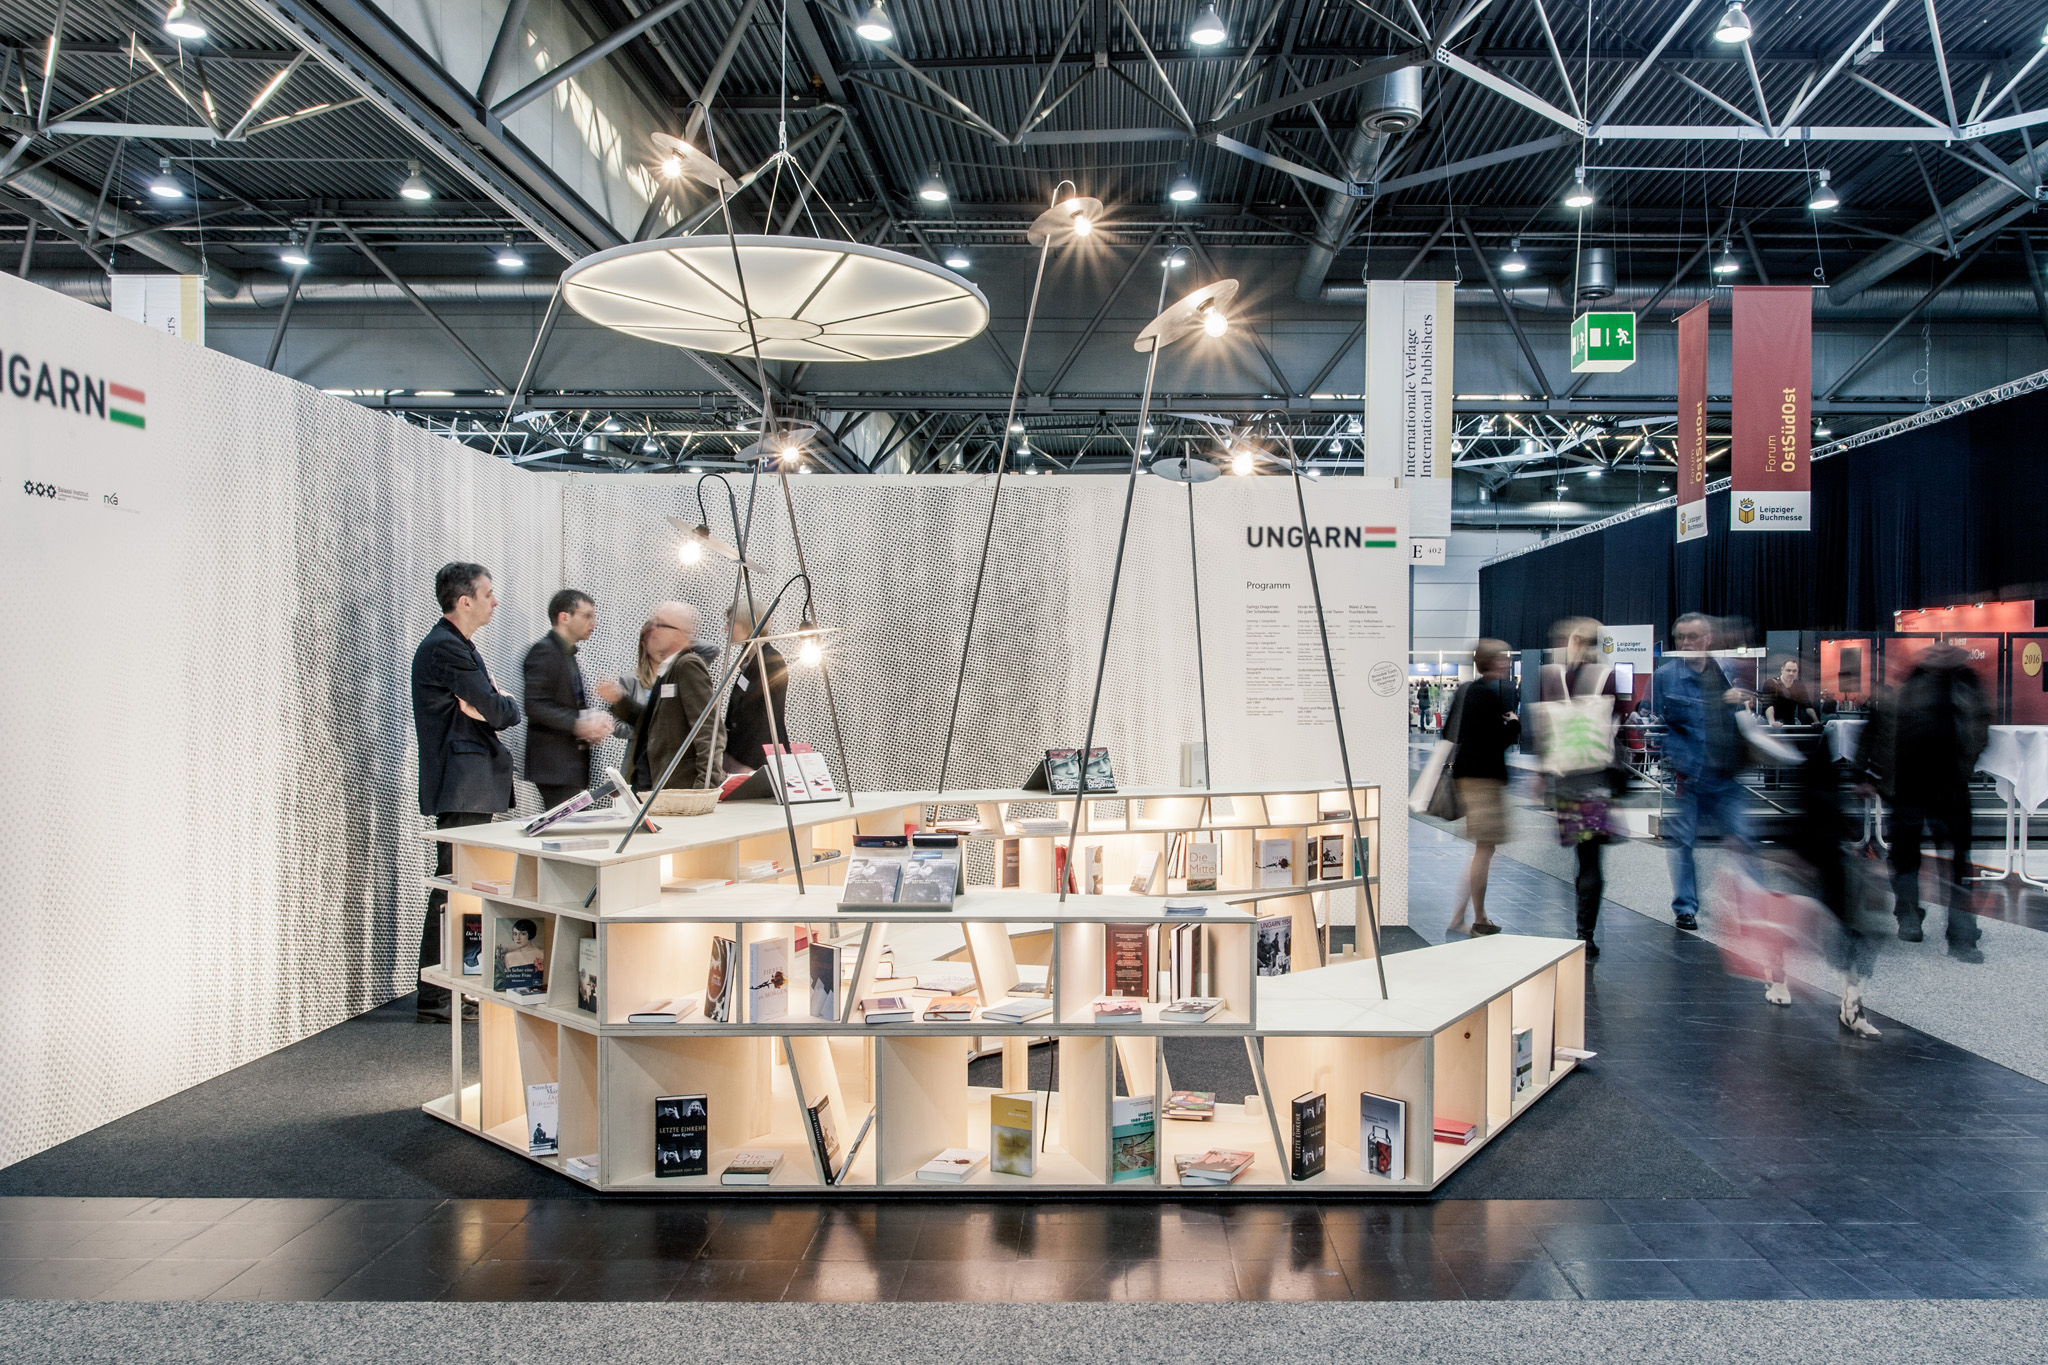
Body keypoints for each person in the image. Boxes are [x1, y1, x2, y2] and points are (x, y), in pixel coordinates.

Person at [411, 562, 521, 1023]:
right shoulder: (447, 648)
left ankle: (448, 991)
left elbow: (494, 707)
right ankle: (437, 996)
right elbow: (500, 711)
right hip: (463, 785)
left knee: (462, 888)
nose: (495, 601)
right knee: (454, 889)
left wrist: (495, 703)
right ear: (465, 601)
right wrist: (497, 702)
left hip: (469, 784)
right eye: (488, 593)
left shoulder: (455, 646)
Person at [1869, 643, 1989, 959]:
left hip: (1950, 785)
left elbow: (1980, 728)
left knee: (1958, 859)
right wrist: (1874, 774)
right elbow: (1881, 728)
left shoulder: (1967, 684)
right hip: (1909, 785)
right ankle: (1909, 914)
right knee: (1907, 854)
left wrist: (1965, 764)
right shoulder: (1909, 684)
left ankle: (1961, 931)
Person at [1654, 612, 1753, 932]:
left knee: (1743, 840)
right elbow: (1653, 723)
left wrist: (1738, 702)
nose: (1685, 643)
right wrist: (1677, 756)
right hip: (1691, 777)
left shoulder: (1726, 671)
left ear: (1707, 639)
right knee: (1683, 844)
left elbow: (1741, 718)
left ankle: (1752, 909)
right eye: (1680, 637)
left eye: (1692, 637)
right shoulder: (1666, 677)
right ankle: (1685, 907)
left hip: (1726, 776)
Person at [1539, 618, 1620, 959]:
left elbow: (1543, 732)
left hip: (1566, 779)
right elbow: (1620, 724)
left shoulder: (1553, 678)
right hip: (1595, 779)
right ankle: (1585, 934)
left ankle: (1582, 929)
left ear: (1570, 642)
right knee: (1591, 860)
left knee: (1581, 857)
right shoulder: (1606, 677)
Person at [597, 601, 725, 792]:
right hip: (651, 782)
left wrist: (704, 788)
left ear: (679, 634)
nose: (651, 630)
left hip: (676, 789)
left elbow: (709, 729)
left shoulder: (687, 665)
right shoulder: (667, 670)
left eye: (659, 625)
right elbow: (652, 723)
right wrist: (620, 700)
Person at [1446, 639, 1519, 938]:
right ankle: (1473, 918)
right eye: (1502, 658)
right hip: (1482, 780)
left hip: (1470, 777)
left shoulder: (1468, 691)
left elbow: (1452, 731)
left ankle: (1471, 916)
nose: (1506, 662)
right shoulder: (1486, 696)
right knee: (1484, 849)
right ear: (1492, 661)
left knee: (1485, 849)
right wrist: (1513, 725)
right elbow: (1496, 741)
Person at [522, 588, 613, 811]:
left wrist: (590, 722)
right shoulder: (544, 651)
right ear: (564, 617)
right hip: (555, 768)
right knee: (567, 828)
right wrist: (579, 723)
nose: (593, 623)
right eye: (587, 615)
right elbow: (534, 705)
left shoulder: (566, 654)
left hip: (569, 768)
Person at [721, 603, 789, 775]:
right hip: (738, 756)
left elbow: (768, 717)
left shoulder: (769, 660)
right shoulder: (748, 661)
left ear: (747, 623)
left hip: (754, 761)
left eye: (731, 623)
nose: (726, 629)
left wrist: (750, 767)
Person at [1762, 656, 1820, 727]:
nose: (1791, 673)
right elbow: (1768, 705)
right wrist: (1772, 722)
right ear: (1782, 670)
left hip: (1789, 722)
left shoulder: (1798, 685)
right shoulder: (1771, 684)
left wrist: (1816, 721)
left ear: (1797, 671)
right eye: (1788, 670)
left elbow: (1806, 704)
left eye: (1794, 671)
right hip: (1770, 722)